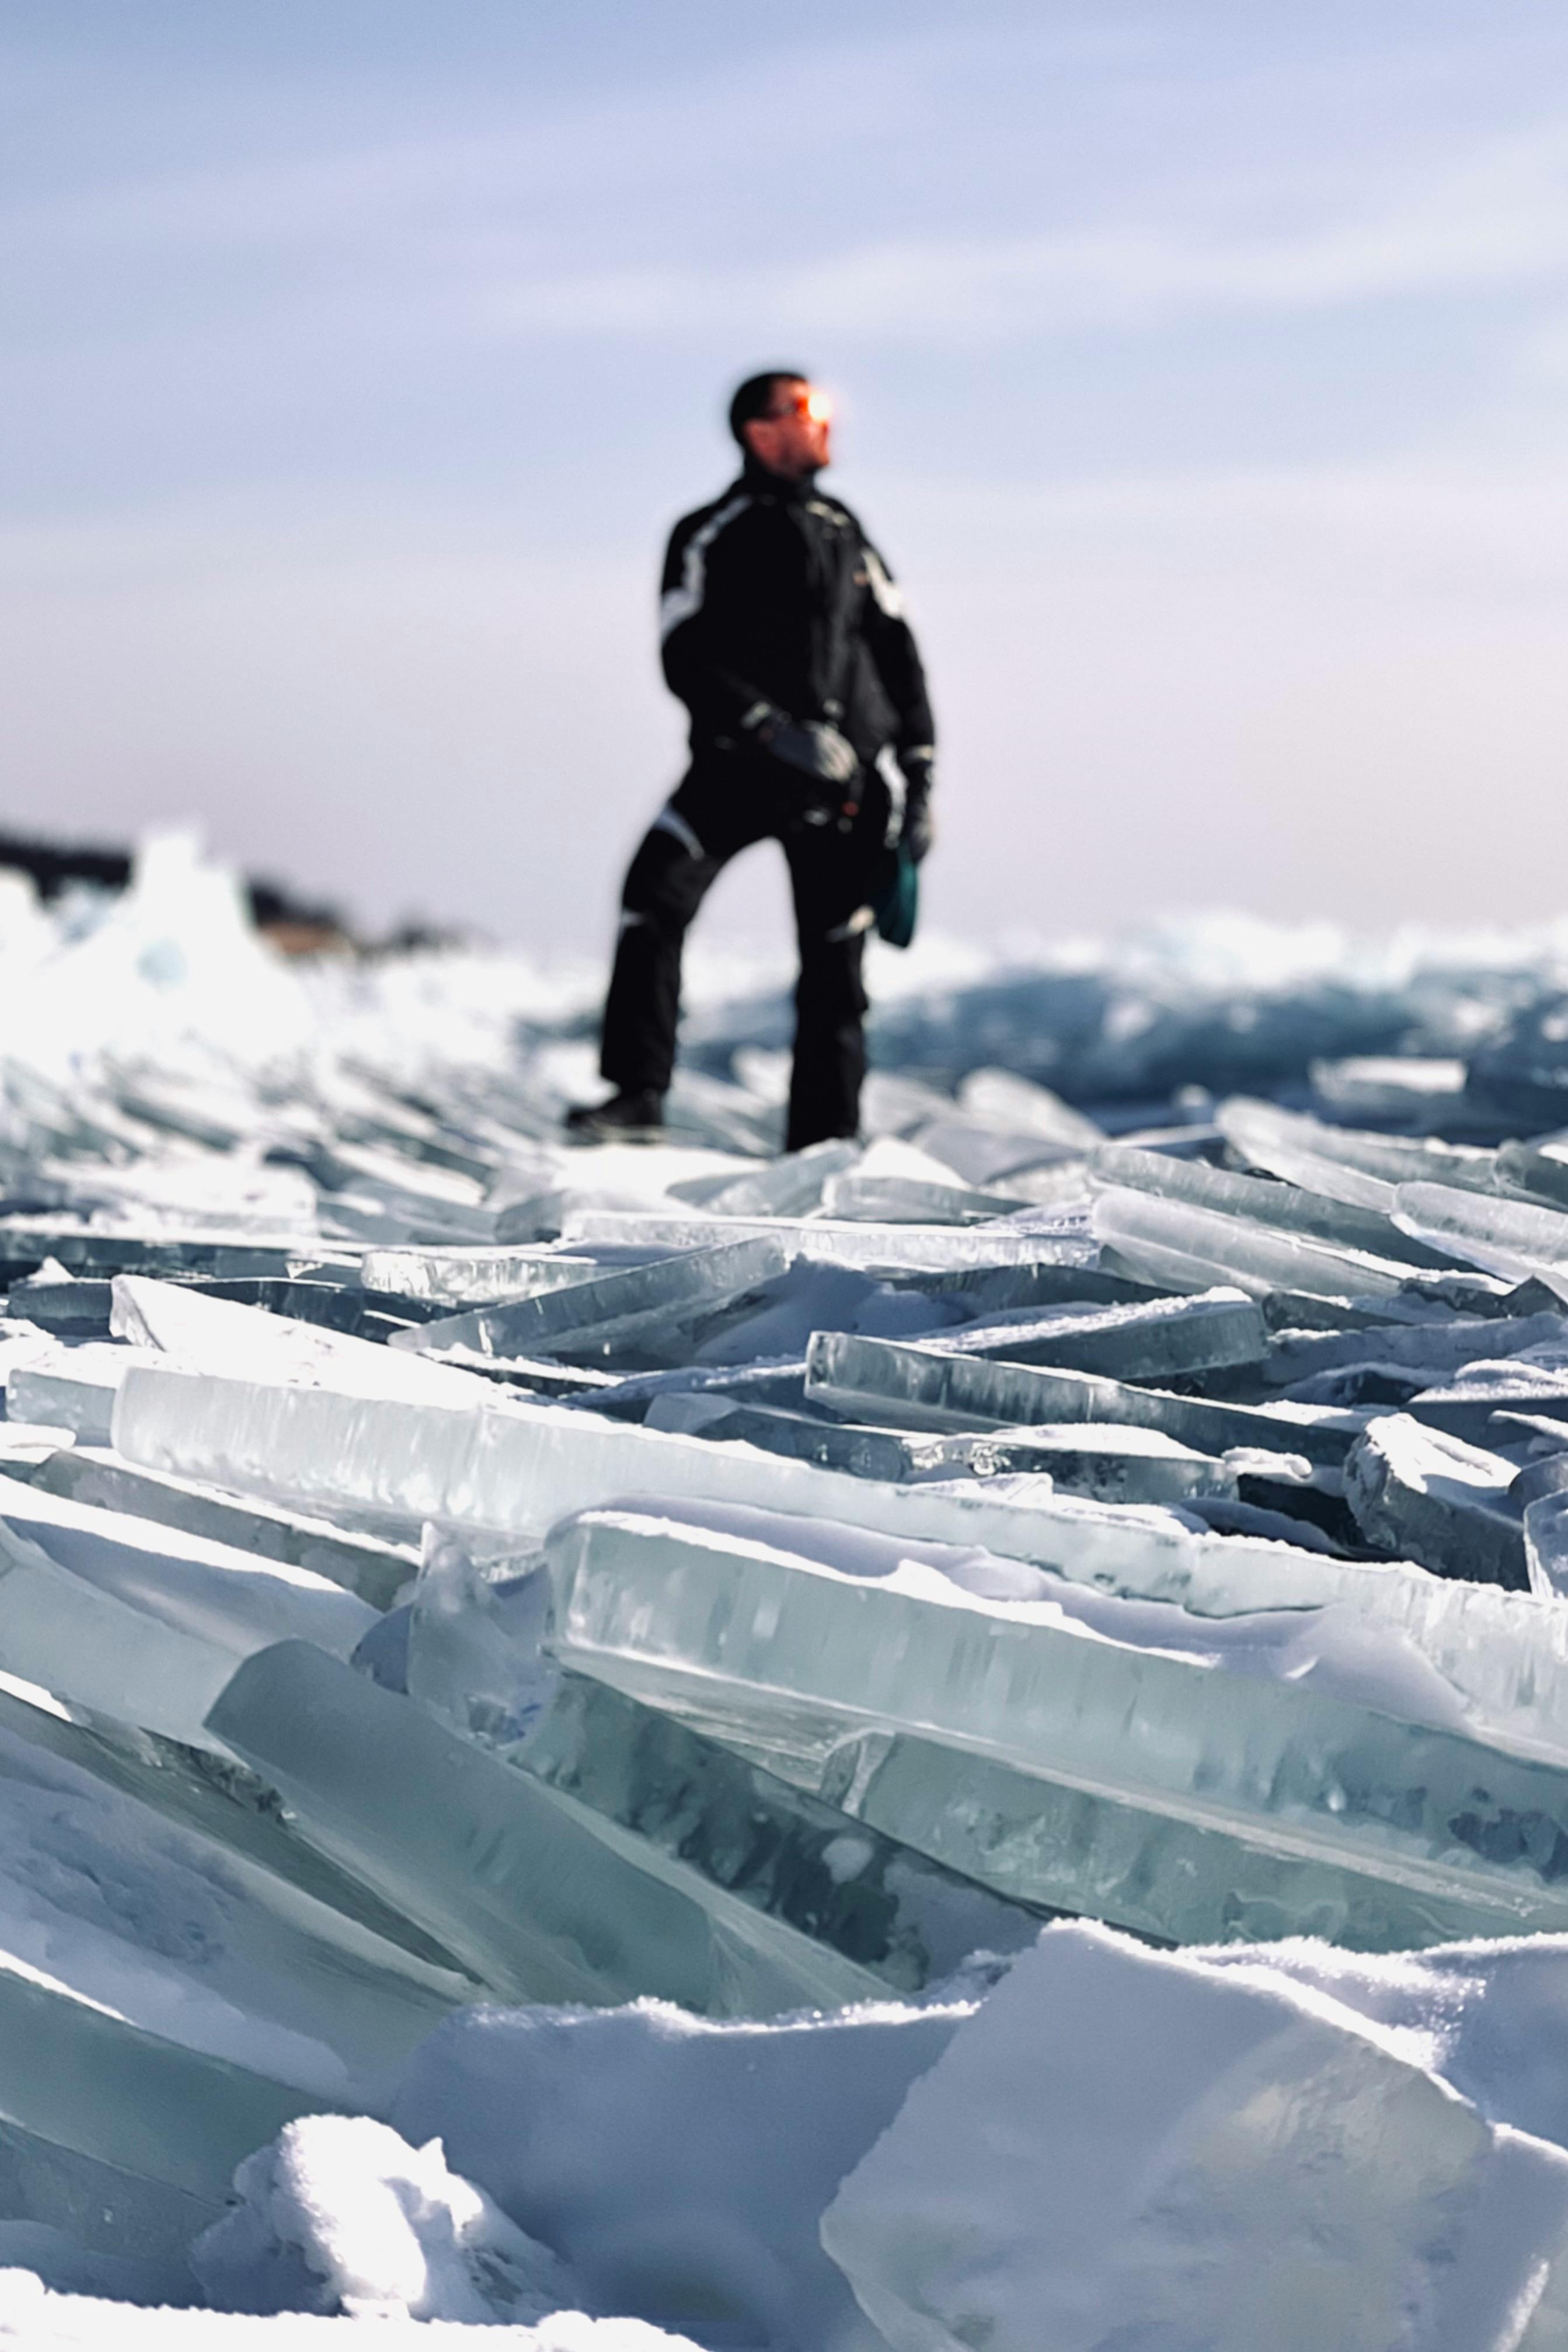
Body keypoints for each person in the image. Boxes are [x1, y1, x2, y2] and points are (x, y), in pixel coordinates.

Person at [566, 369, 936, 1151]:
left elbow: (897, 650)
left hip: (843, 787)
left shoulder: (845, 528)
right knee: (651, 898)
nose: (825, 422)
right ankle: (636, 1096)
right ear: (757, 430)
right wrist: (768, 727)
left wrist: (921, 772)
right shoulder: (708, 529)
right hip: (737, 771)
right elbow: (682, 651)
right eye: (807, 410)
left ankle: (824, 1144)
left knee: (836, 965)